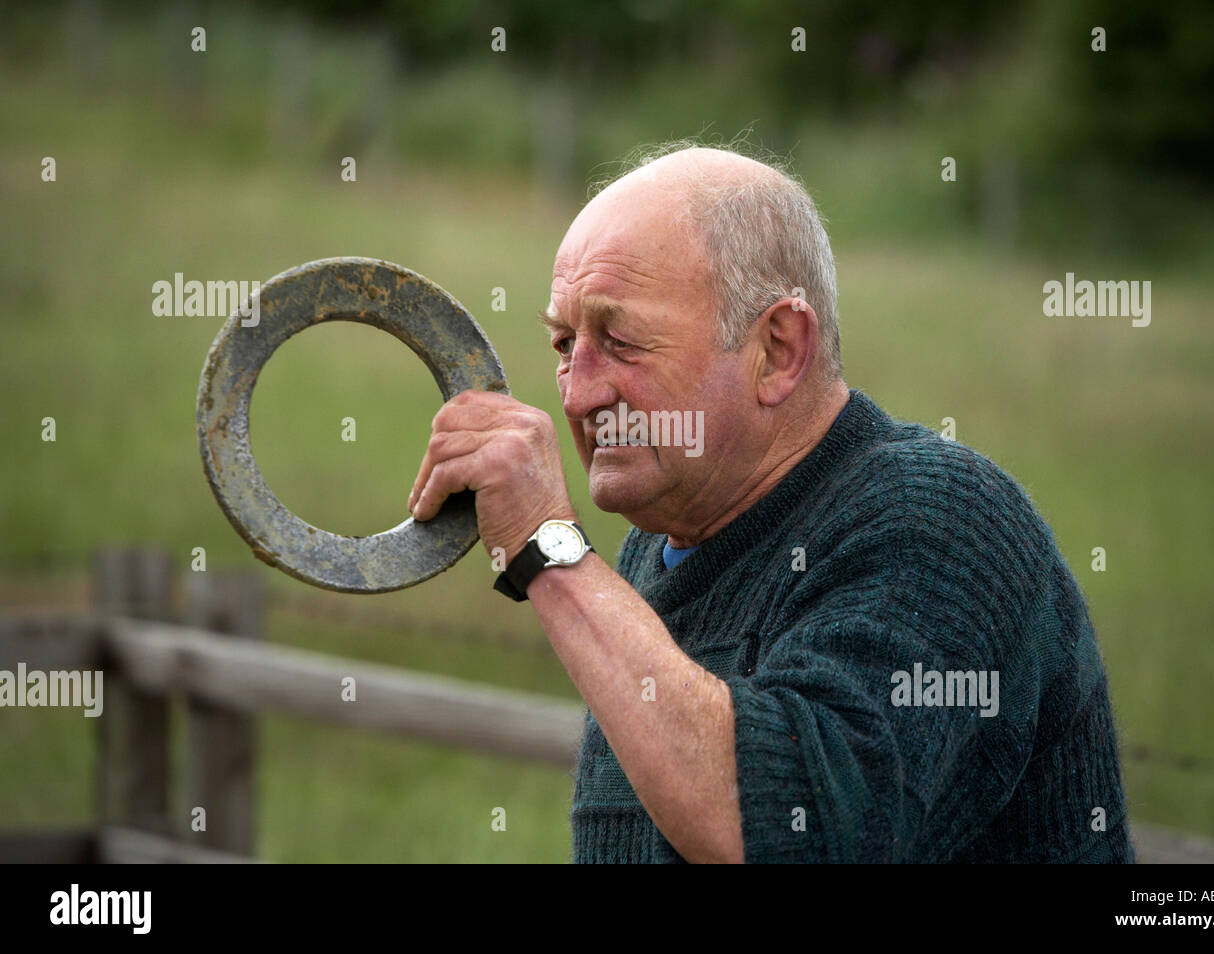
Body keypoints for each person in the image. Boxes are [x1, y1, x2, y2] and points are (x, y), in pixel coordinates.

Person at [407, 143, 1134, 864]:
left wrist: (551, 554)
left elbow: (793, 835)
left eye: (621, 341)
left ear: (780, 350)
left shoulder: (945, 521)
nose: (577, 391)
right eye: (566, 342)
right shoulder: (653, 550)